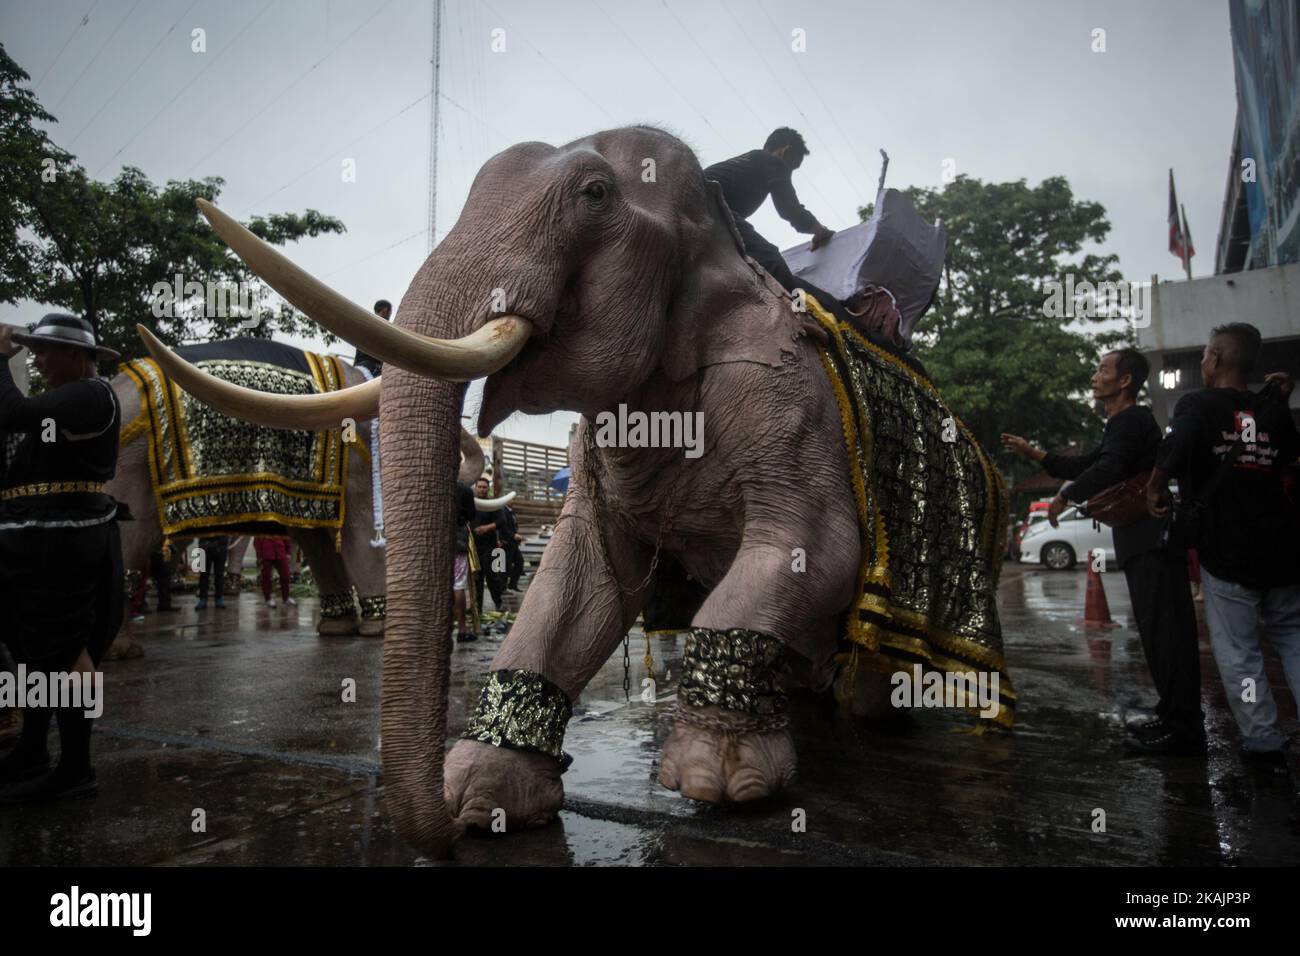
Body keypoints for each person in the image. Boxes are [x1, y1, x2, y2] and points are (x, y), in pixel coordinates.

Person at [1002, 348, 1204, 754]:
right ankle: (1172, 716)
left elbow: (1106, 469)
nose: (1095, 376)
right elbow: (1089, 463)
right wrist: (1036, 454)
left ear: (1124, 381)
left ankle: (1183, 729)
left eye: (1103, 370)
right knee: (1157, 632)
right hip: (1141, 539)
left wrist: (1065, 498)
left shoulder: (1131, 420)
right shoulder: (1121, 423)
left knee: (1166, 633)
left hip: (1150, 539)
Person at [1147, 323, 1299, 771]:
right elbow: (1289, 455)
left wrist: (1155, 489)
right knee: (1294, 641)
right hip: (1283, 547)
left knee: (1239, 653)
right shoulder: (1271, 410)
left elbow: (1174, 448)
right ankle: (1265, 741)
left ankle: (1265, 745)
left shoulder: (1198, 404)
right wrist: (1280, 403)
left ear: (1214, 359)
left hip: (1227, 550)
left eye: (1204, 356)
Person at [0, 314, 125, 801]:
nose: (39, 359)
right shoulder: (63, 403)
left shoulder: (91, 394)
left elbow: (10, 413)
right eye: (33, 350)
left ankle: (76, 768)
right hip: (42, 539)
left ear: (78, 356)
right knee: (36, 654)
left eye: (46, 351)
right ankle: (34, 748)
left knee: (65, 653)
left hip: (64, 544)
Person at [704, 128, 836, 296]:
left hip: (706, 210)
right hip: (711, 208)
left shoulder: (753, 160)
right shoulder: (772, 161)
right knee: (771, 261)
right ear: (784, 151)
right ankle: (801, 311)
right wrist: (819, 231)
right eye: (792, 166)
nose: (789, 173)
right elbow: (790, 209)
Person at [471, 476, 507, 615]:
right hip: (474, 546)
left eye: (484, 487)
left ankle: (498, 602)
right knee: (476, 577)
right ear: (475, 488)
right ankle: (477, 608)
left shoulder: (494, 504)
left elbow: (501, 521)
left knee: (492, 576)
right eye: (479, 487)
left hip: (490, 546)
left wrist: (486, 528)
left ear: (488, 489)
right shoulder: (471, 503)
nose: (481, 489)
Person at [453, 482, 476, 642]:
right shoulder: (464, 490)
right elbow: (471, 515)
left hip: (431, 545)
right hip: (457, 544)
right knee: (458, 586)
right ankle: (462, 628)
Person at [254, 534, 296, 607]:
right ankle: (268, 599)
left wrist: (288, 552)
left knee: (285, 575)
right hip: (266, 553)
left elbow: (285, 536)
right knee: (266, 577)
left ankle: (286, 598)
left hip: (280, 552)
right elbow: (257, 541)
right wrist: (259, 556)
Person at [353, 300, 390, 377]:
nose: (389, 317)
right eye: (389, 313)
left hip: (359, 365)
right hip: (371, 368)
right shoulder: (382, 329)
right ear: (385, 310)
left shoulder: (366, 324)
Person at [194, 534, 229, 610]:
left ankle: (219, 599)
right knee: (203, 574)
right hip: (204, 545)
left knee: (219, 574)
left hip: (221, 546)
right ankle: (202, 599)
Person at [501, 503, 524, 592]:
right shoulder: (503, 510)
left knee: (520, 562)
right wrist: (513, 535)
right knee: (506, 565)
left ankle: (512, 584)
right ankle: (502, 587)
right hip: (506, 542)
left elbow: (514, 526)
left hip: (514, 543)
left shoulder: (511, 511)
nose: (513, 500)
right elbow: (503, 527)